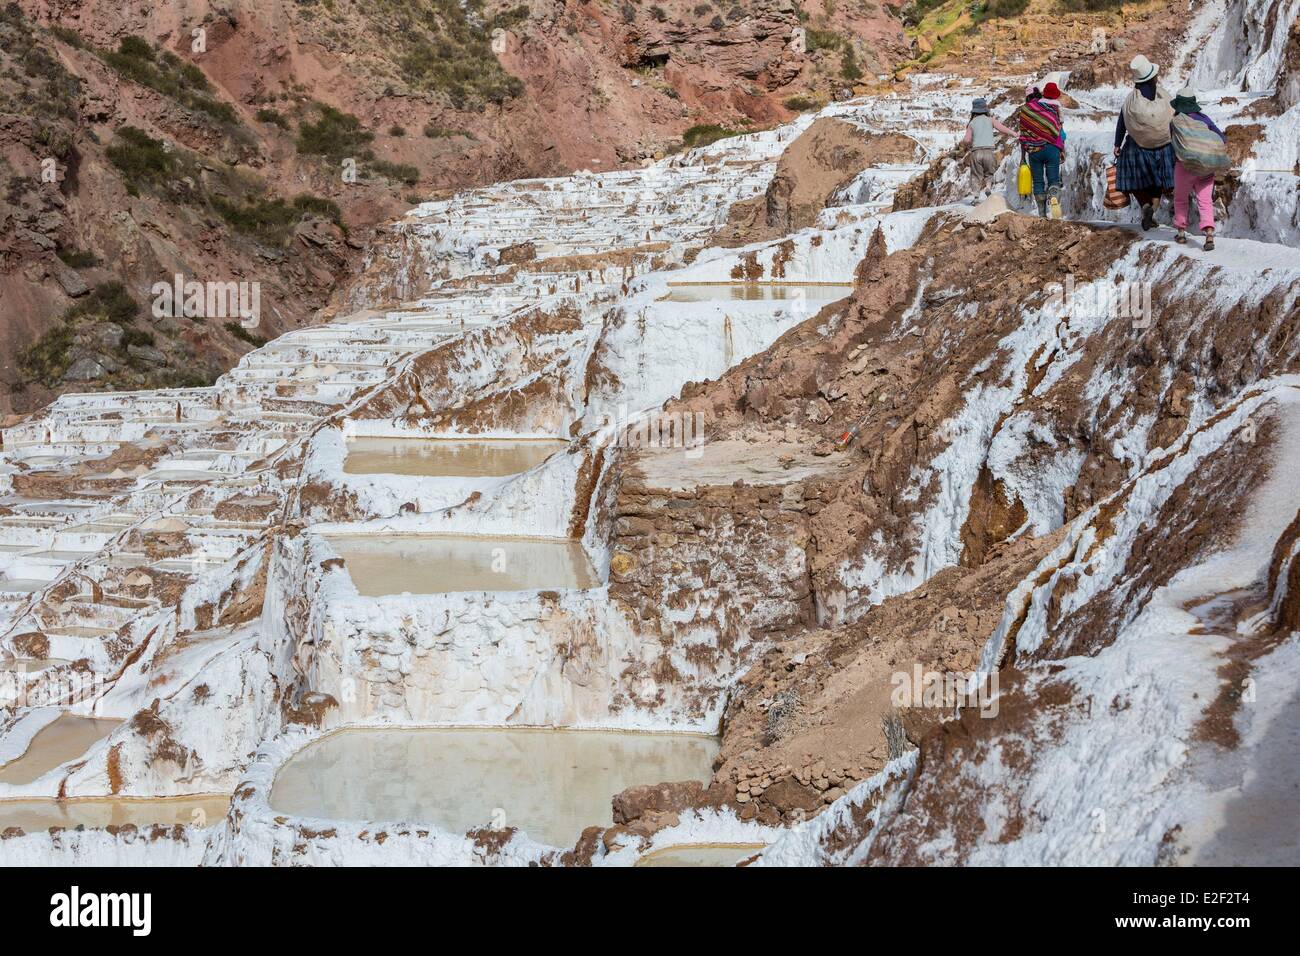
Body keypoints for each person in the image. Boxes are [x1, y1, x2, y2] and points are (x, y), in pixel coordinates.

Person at [1114, 55, 1175, 230]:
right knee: (1158, 182)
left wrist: (1117, 144)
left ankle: (1145, 206)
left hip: (1137, 147)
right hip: (1163, 147)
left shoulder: (1130, 100)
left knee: (1137, 182)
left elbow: (1122, 122)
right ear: (1153, 77)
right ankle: (1153, 208)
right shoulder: (1163, 95)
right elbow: (1174, 116)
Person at [1170, 86, 1225, 250]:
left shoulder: (1175, 122)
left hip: (1184, 167)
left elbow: (1172, 144)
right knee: (1205, 201)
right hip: (1206, 168)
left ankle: (1181, 233)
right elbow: (1221, 137)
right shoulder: (1205, 119)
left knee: (1180, 199)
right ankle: (1209, 234)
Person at [1012, 80, 1066, 217]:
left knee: (1038, 181)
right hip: (1052, 148)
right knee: (1053, 179)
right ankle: (1053, 195)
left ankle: (1042, 214)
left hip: (1034, 151)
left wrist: (1023, 156)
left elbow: (1023, 135)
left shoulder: (1025, 110)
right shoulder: (1052, 108)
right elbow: (1058, 130)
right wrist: (1062, 149)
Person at [961, 97, 1016, 200]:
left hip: (976, 152)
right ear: (985, 109)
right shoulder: (990, 120)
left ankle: (976, 197)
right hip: (989, 151)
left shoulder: (972, 123)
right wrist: (1014, 133)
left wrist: (968, 144)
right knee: (989, 173)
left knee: (976, 175)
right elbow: (1002, 128)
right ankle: (988, 187)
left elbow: (967, 140)